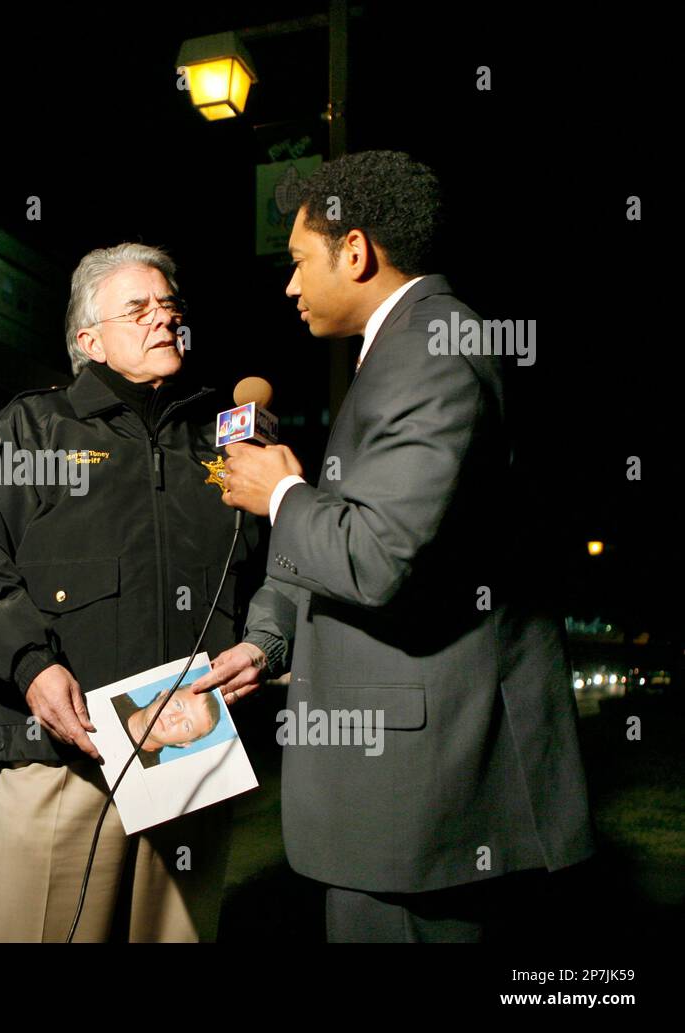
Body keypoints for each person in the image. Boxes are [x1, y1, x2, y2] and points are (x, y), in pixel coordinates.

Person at [192, 151, 595, 942]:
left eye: (300, 261)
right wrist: (268, 640)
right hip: (399, 790)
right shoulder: (401, 348)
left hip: (424, 794)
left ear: (356, 251)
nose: (290, 285)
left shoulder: (431, 349)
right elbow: (359, 525)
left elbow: (376, 555)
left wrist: (278, 492)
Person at [0, 243, 255, 942]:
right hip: (64, 762)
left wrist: (264, 643)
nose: (164, 320)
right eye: (139, 309)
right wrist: (30, 662)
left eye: (170, 306)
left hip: (190, 757)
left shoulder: (222, 445)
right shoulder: (29, 431)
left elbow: (278, 569)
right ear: (88, 339)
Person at [111, 682, 222, 769]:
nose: (174, 718)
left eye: (186, 726)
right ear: (164, 694)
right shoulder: (111, 695)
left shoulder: (148, 777)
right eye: (178, 705)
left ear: (183, 743)